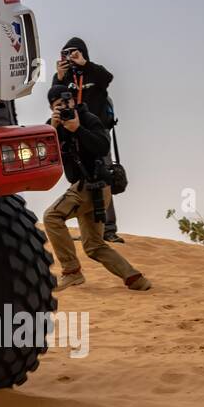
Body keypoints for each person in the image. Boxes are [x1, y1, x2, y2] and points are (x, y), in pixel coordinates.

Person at [42, 84, 151, 292]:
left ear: (74, 100)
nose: (65, 107)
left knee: (52, 217)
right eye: (59, 105)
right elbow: (46, 156)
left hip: (94, 184)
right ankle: (135, 279)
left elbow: (102, 146)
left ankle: (72, 272)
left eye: (67, 102)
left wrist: (78, 129)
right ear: (51, 108)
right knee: (94, 245)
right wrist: (53, 130)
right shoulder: (53, 127)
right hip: (87, 188)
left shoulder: (88, 118)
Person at [55, 38, 122, 242]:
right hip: (73, 133)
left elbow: (108, 78)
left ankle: (109, 230)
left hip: (96, 132)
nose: (70, 56)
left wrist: (85, 63)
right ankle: (87, 231)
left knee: (103, 177)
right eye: (66, 53)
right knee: (79, 181)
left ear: (83, 52)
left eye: (74, 51)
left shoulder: (94, 72)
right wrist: (59, 77)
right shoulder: (65, 77)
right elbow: (54, 98)